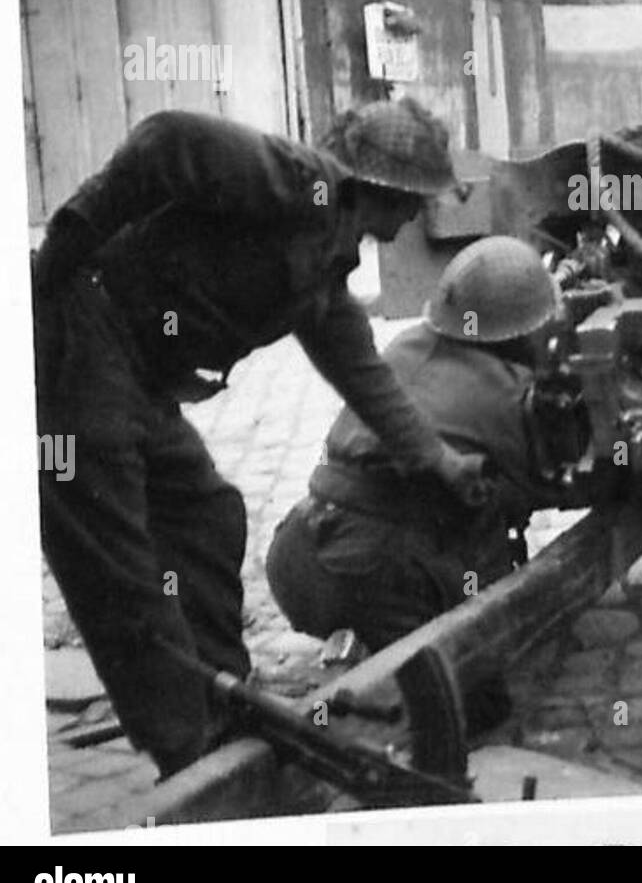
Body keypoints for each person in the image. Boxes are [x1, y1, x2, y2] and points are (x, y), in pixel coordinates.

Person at [32, 97, 486, 778]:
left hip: (139, 375)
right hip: (81, 331)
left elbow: (364, 376)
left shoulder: (326, 264)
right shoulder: (299, 183)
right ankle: (184, 750)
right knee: (116, 558)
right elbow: (167, 140)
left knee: (207, 514)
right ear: (383, 190)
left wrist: (441, 462)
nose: (419, 217)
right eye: (415, 199)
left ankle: (222, 701)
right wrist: (54, 261)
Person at [266, 236, 560, 732]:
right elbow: (554, 485)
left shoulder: (404, 347)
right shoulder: (509, 396)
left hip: (296, 562)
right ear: (525, 328)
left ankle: (373, 635)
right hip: (374, 575)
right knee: (484, 708)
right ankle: (396, 638)